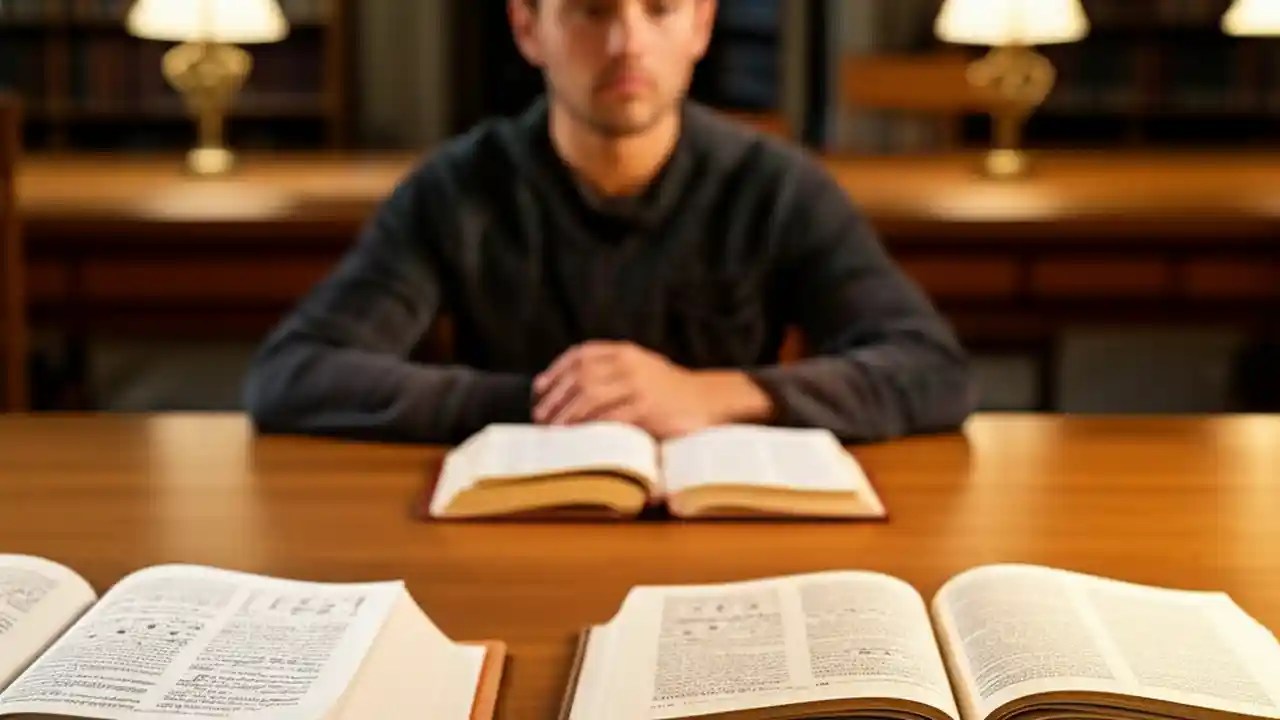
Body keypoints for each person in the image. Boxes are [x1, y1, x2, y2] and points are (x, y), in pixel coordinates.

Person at [244, 0, 976, 444]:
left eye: (658, 10)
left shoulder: (777, 185)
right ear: (528, 28)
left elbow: (931, 369)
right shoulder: (457, 188)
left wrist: (713, 393)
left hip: (722, 550)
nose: (628, 43)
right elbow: (295, 375)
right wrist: (542, 400)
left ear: (701, 25)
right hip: (511, 539)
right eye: (592, 10)